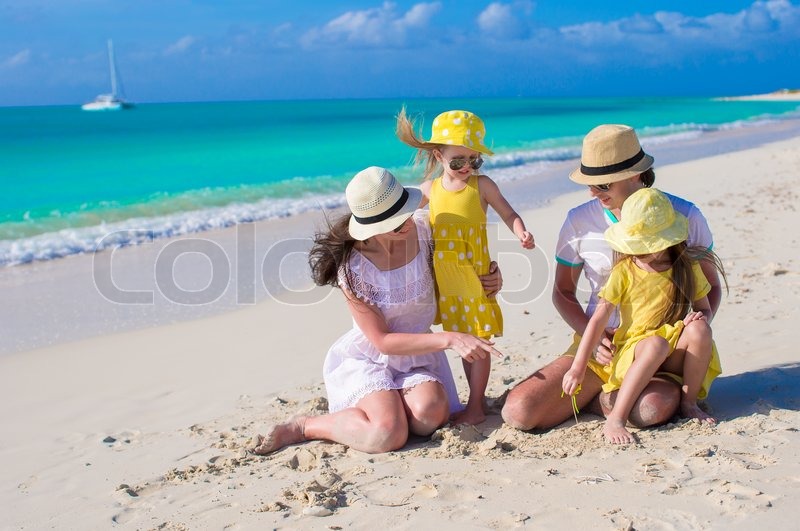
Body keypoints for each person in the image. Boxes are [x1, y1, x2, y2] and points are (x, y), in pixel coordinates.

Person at [251, 166, 503, 455]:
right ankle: (305, 426)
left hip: (416, 355)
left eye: (406, 213)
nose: (406, 223)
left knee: (430, 417)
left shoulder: (426, 230)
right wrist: (450, 339)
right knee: (387, 435)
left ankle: (392, 405)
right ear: (373, 227)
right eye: (396, 223)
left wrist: (492, 278)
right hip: (370, 358)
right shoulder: (354, 266)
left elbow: (464, 271)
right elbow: (382, 340)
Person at [502, 124, 724, 432]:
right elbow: (562, 292)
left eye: (603, 184)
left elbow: (711, 286)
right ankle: (603, 399)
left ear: (635, 174)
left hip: (662, 351)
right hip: (601, 348)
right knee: (519, 412)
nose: (593, 192)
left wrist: (699, 326)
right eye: (589, 184)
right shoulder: (578, 220)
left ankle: (618, 398)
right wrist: (592, 342)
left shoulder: (684, 215)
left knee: (650, 410)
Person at [396, 108, 535, 425]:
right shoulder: (430, 190)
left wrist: (521, 232)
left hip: (476, 276)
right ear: (438, 155)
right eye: (458, 161)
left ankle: (475, 405)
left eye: (475, 160)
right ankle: (473, 399)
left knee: (480, 341)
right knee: (461, 340)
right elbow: (400, 217)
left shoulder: (482, 185)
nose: (467, 167)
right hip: (445, 280)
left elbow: (508, 213)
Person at [562, 187, 726, 444]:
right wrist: (578, 367)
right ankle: (616, 417)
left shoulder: (686, 267)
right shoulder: (625, 270)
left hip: (671, 350)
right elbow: (598, 320)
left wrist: (700, 316)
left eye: (645, 246)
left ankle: (689, 402)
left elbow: (703, 307)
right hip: (635, 349)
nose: (637, 253)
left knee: (700, 330)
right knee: (655, 344)